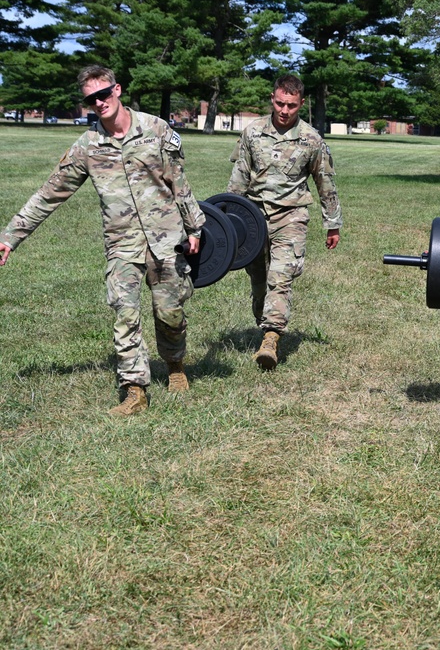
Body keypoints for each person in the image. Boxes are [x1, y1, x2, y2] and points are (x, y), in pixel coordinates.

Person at [0, 65, 205, 416]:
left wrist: (195, 228)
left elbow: (179, 182)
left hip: (166, 238)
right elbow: (49, 194)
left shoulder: (156, 129)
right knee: (125, 313)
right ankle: (135, 390)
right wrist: (10, 236)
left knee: (169, 313)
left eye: (103, 94)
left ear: (117, 90)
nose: (98, 102)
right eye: (90, 99)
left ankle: (174, 364)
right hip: (122, 244)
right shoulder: (87, 147)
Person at [226, 74, 342, 369]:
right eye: (280, 103)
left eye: (291, 105)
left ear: (301, 103)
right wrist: (226, 219)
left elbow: (324, 181)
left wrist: (332, 222)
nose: (284, 110)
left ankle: (271, 339)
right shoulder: (252, 132)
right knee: (259, 281)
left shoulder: (311, 139)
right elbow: (239, 177)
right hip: (253, 218)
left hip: (291, 216)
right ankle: (264, 320)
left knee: (281, 277)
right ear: (272, 99)